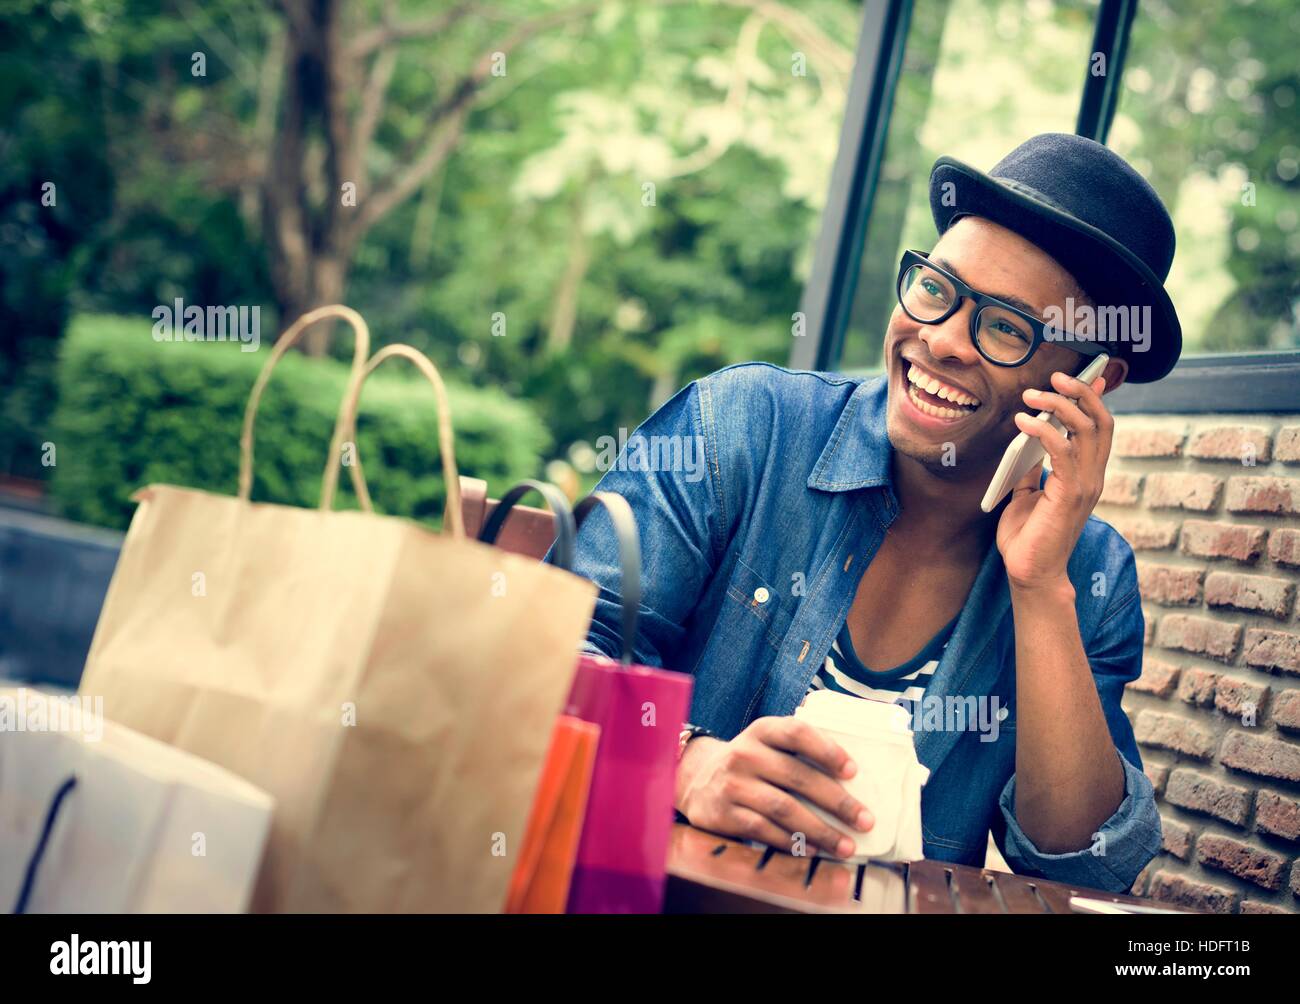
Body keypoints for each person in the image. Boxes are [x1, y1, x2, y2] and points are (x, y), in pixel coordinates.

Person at [567, 133, 1180, 894]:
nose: (942, 340)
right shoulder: (742, 429)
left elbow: (1082, 859)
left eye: (1006, 328)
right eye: (935, 288)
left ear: (1092, 379)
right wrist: (687, 766)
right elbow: (554, 661)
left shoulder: (1088, 576)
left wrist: (1040, 587)